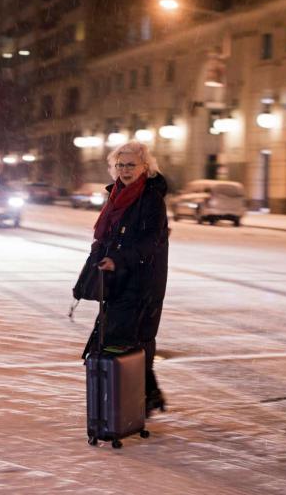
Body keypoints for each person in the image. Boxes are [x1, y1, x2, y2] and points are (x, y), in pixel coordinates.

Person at [80, 141, 169, 417]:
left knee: (134, 338)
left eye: (131, 165)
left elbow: (151, 242)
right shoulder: (116, 194)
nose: (125, 170)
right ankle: (142, 395)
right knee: (119, 337)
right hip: (118, 278)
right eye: (120, 165)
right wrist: (96, 259)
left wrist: (119, 259)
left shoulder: (151, 198)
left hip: (143, 281)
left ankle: (140, 397)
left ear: (145, 167)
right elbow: (108, 235)